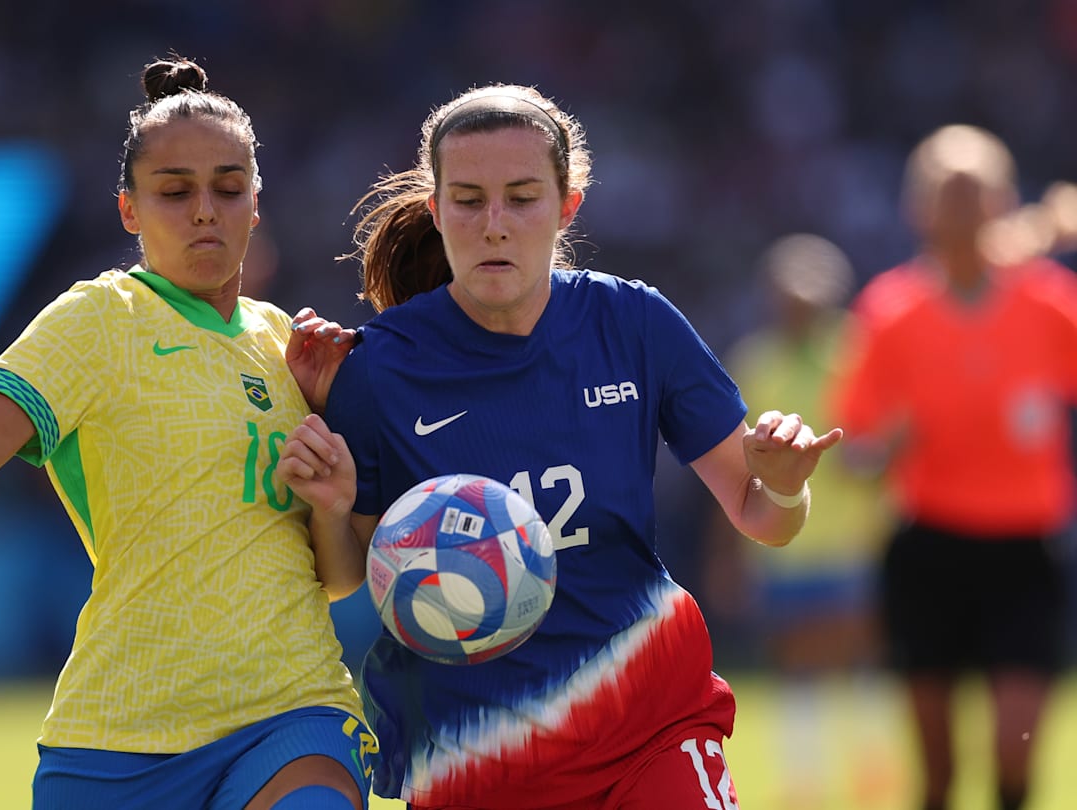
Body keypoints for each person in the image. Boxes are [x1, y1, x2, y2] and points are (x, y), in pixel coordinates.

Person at [276, 84, 842, 809]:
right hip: (473, 757)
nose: (495, 225)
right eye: (469, 200)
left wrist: (785, 485)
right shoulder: (379, 369)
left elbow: (761, 515)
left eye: (522, 197)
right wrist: (329, 507)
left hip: (650, 728)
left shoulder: (634, 323)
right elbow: (342, 577)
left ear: (567, 205)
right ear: (436, 210)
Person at [0, 56, 375, 810]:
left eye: (228, 189)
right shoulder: (95, 321)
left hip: (294, 708)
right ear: (129, 209)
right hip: (124, 730)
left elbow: (338, 579)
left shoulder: (287, 346)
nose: (204, 211)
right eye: (175, 191)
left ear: (256, 204)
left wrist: (330, 504)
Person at [830, 124, 1077, 810]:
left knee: (1014, 747)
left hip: (1025, 550)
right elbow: (855, 452)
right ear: (920, 208)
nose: (963, 210)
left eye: (975, 194)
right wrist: (886, 450)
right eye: (949, 194)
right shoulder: (890, 313)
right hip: (929, 548)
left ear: (1002, 201)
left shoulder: (1051, 303)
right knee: (937, 773)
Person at [708, 233, 895, 808]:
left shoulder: (860, 354)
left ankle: (874, 773)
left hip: (859, 542)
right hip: (784, 545)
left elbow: (892, 438)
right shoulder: (754, 362)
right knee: (797, 661)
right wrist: (729, 551)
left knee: (862, 654)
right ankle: (805, 779)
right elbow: (733, 463)